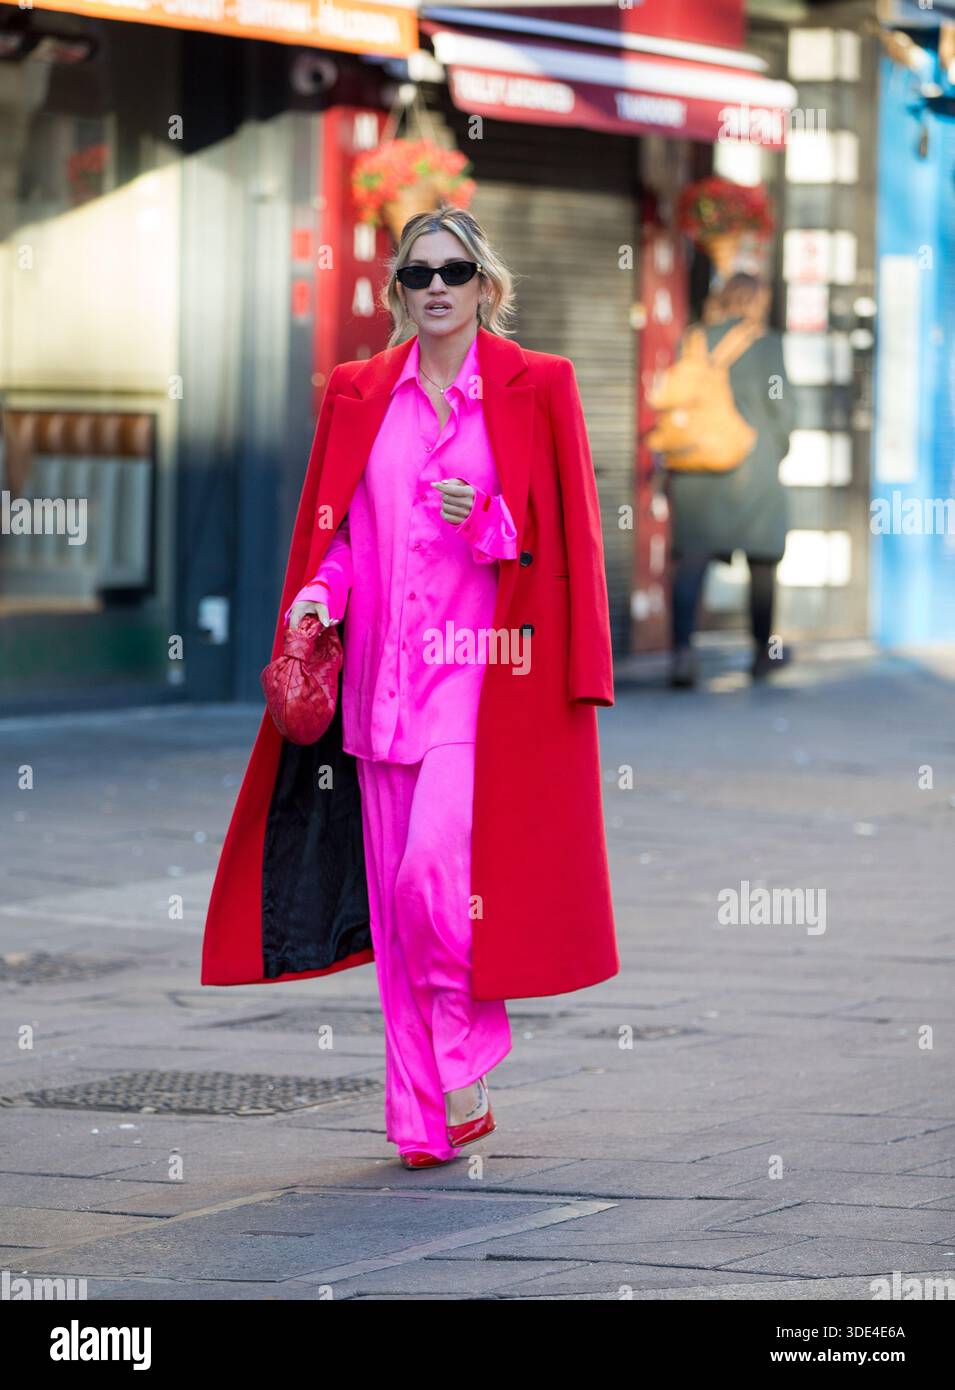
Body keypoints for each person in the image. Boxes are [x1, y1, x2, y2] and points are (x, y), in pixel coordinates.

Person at [200, 206, 619, 1170]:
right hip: (378, 691)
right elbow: (340, 532)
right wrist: (313, 595)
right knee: (394, 906)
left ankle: (467, 1057)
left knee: (436, 880)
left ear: (487, 287)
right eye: (418, 274)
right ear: (397, 291)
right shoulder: (358, 391)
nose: (437, 287)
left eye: (455, 271)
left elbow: (568, 541)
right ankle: (426, 1117)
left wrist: (491, 525)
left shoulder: (537, 385)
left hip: (481, 686)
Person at [666, 273, 795, 687]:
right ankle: (761, 653)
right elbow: (784, 409)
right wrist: (778, 448)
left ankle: (683, 655)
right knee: (762, 562)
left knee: (691, 563)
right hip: (751, 468)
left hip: (694, 468)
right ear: (758, 300)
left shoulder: (694, 339)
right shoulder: (766, 344)